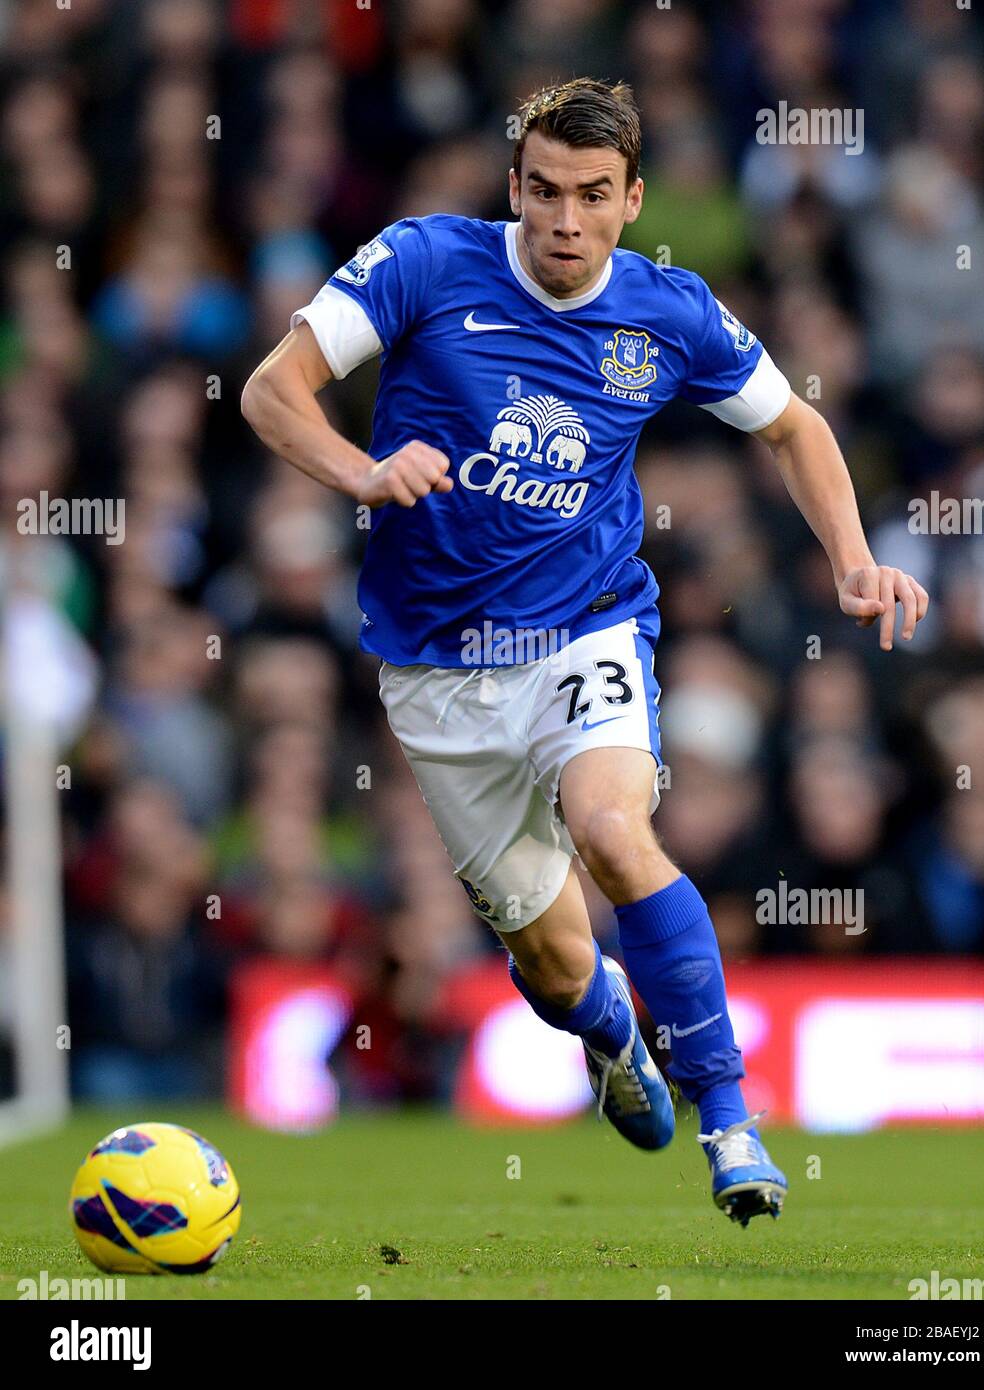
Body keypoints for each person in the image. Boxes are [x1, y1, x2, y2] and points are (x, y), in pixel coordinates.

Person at [241, 78, 930, 1226]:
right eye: (546, 193)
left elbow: (795, 425)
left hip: (587, 626)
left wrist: (852, 558)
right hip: (438, 672)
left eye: (593, 197)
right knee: (557, 970)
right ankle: (608, 1028)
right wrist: (360, 470)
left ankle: (730, 1123)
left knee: (615, 828)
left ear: (631, 200)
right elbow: (273, 392)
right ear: (514, 188)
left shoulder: (669, 314)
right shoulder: (422, 263)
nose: (566, 221)